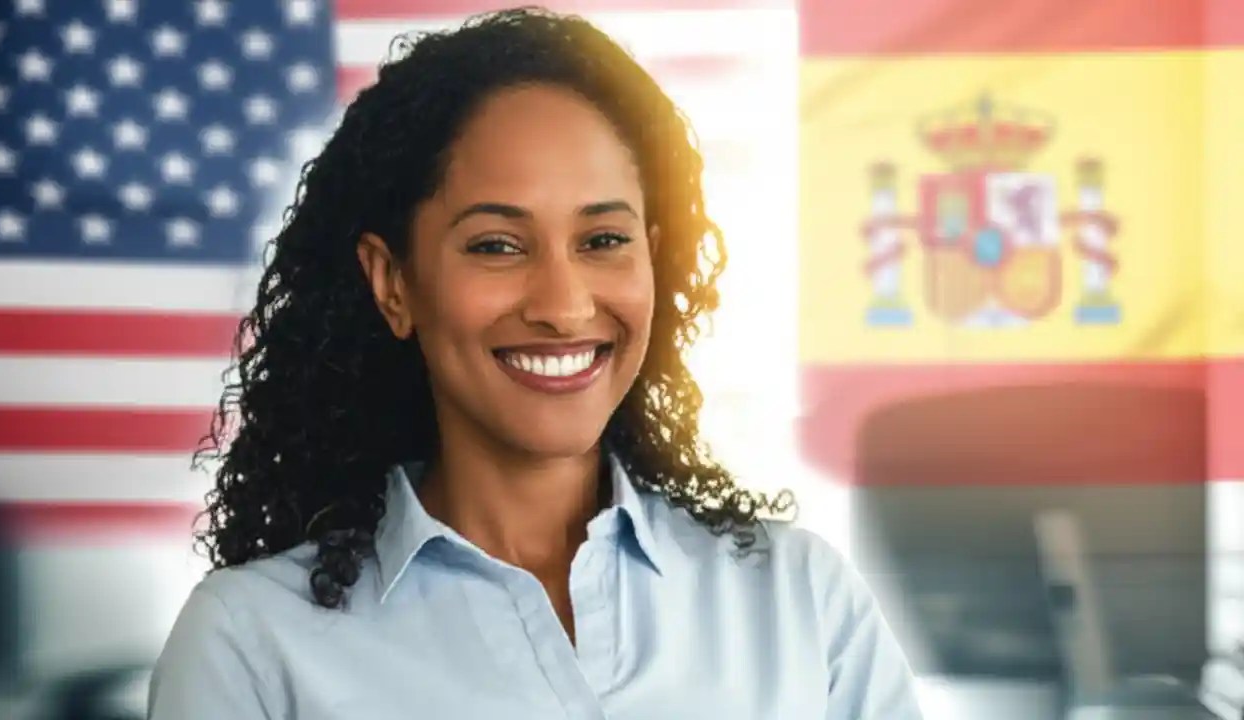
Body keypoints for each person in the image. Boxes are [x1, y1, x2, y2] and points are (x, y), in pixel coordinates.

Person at [148, 8, 923, 719]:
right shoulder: (249, 645)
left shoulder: (799, 600)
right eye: (497, 246)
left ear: (653, 260)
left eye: (602, 241)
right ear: (393, 282)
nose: (564, 304)